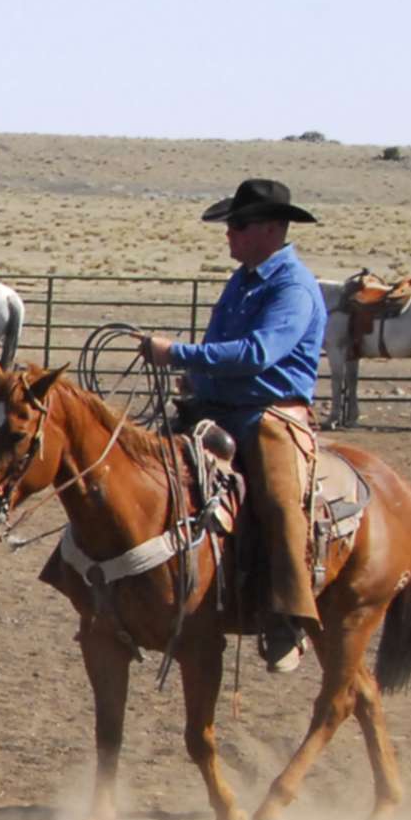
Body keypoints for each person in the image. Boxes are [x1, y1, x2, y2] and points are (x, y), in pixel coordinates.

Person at [137, 177, 328, 672]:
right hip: (217, 407)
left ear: (270, 229)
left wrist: (177, 353)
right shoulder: (243, 279)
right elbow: (222, 346)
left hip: (270, 413)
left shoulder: (293, 287)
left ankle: (288, 612)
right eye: (230, 226)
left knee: (279, 499)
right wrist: (195, 376)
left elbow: (260, 353)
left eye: (238, 226)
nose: (230, 235)